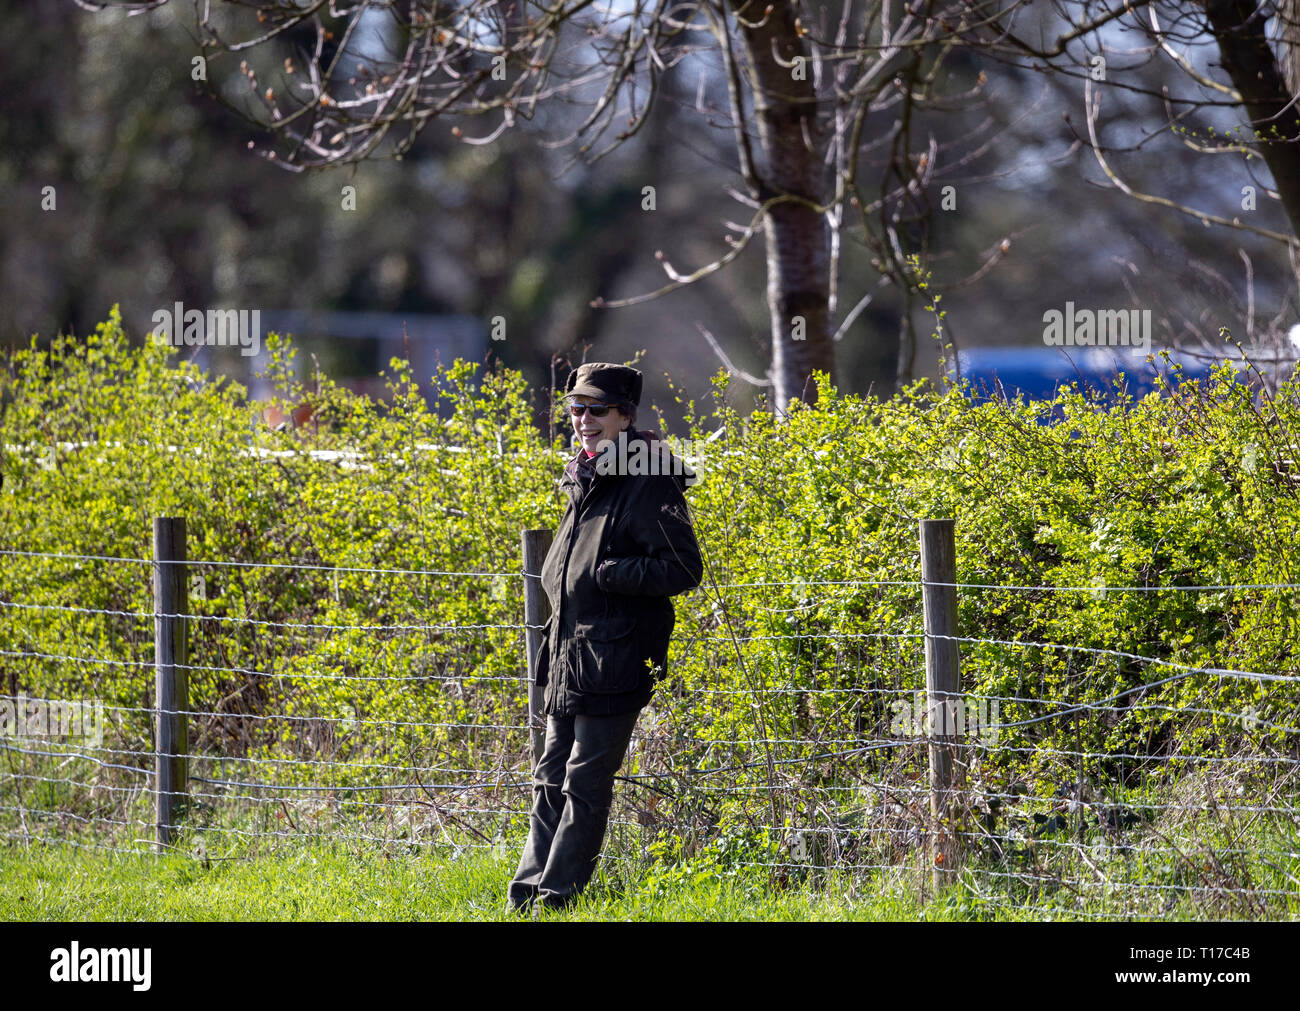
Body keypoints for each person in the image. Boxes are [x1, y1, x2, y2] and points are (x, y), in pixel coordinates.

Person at [508, 362, 703, 913]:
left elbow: (684, 569)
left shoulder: (648, 478)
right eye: (575, 409)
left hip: (615, 658)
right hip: (568, 653)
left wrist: (610, 573)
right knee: (549, 776)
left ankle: (556, 899)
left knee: (585, 782)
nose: (583, 420)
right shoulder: (584, 473)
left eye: (597, 410)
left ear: (625, 416)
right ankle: (524, 895)